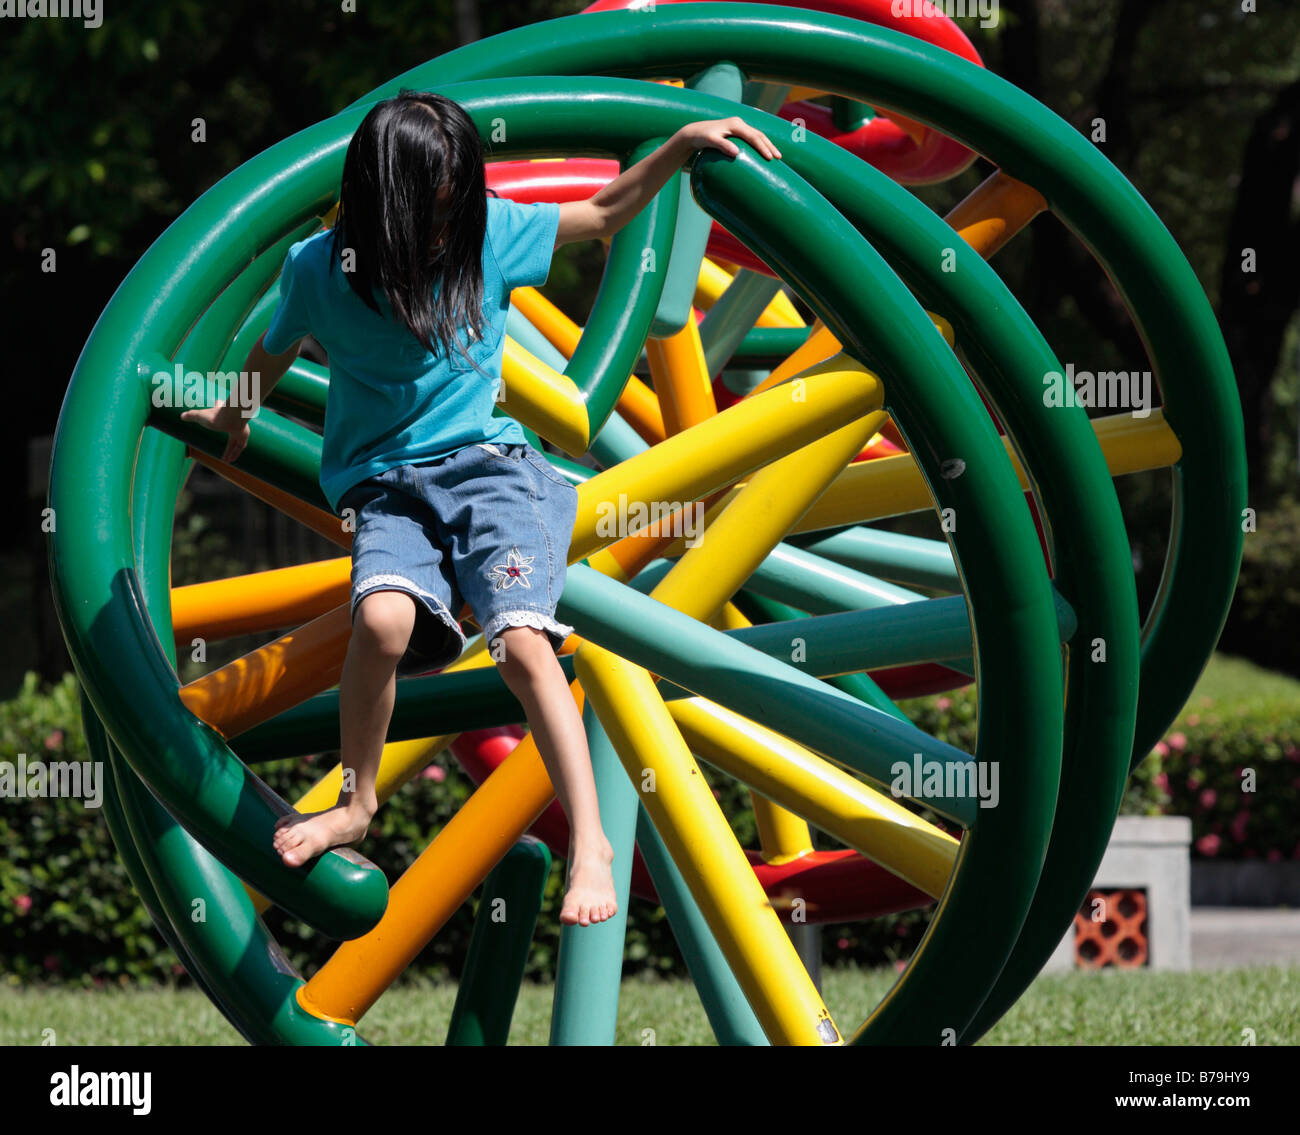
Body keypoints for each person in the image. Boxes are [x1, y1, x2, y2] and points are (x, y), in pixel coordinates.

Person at [181, 91, 782, 926]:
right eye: (435, 203)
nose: (452, 217)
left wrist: (680, 145)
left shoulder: (489, 233)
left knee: (523, 644)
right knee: (383, 624)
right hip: (385, 487)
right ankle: (357, 803)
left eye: (459, 195)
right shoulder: (321, 269)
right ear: (386, 202)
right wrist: (231, 415)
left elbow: (606, 210)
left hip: (493, 473)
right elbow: (270, 350)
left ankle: (594, 842)